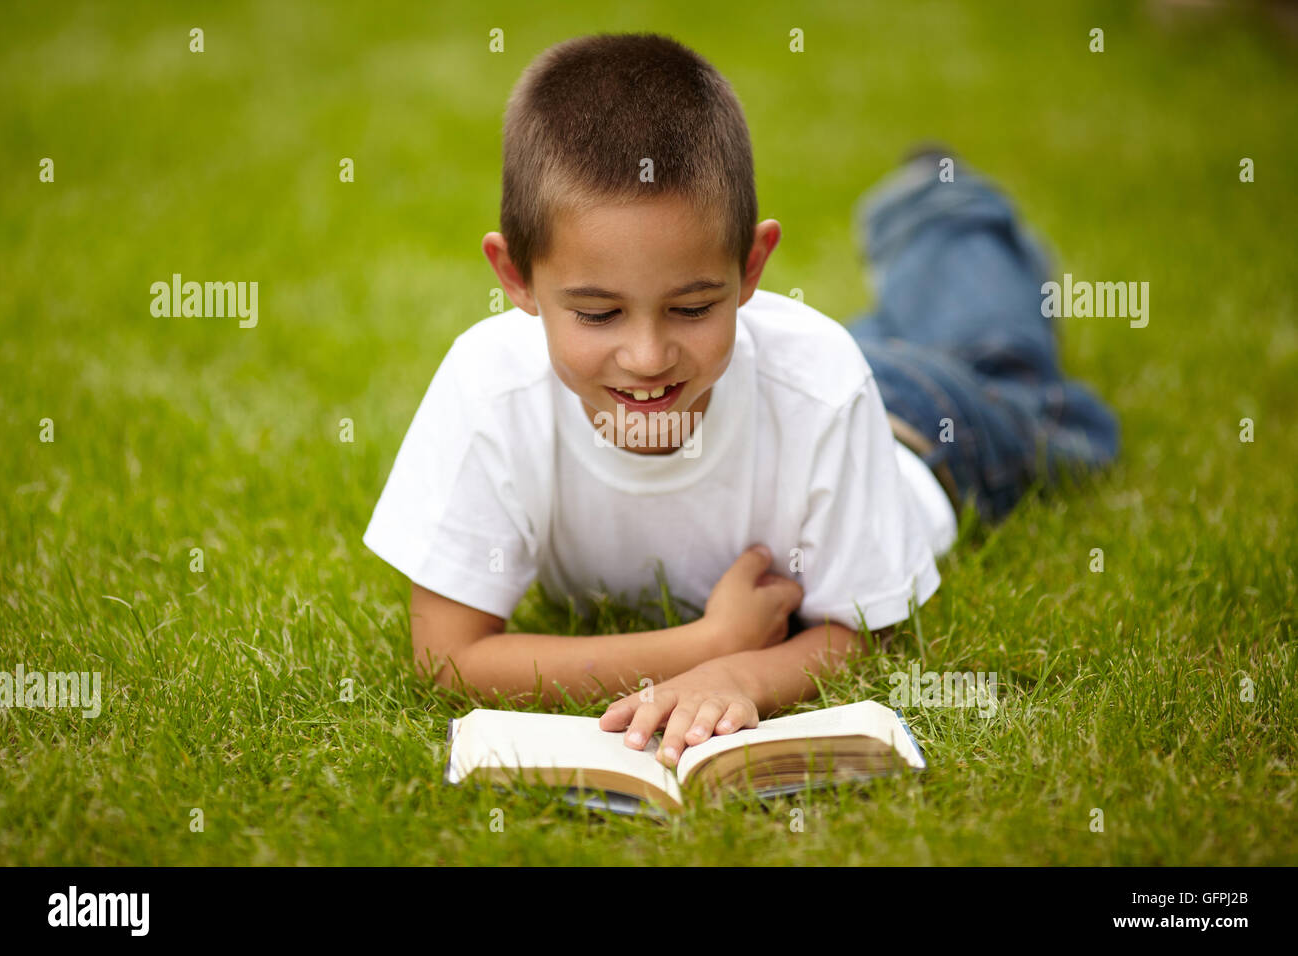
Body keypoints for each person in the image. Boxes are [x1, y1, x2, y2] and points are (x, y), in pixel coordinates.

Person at [361, 32, 1118, 770]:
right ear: (516, 278)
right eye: (598, 314)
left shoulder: (822, 385)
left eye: (692, 307)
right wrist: (705, 648)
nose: (648, 357)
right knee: (890, 339)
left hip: (922, 433)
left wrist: (747, 677)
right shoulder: (491, 389)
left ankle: (941, 212)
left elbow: (862, 630)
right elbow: (449, 657)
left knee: (1013, 371)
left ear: (753, 266)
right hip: (789, 372)